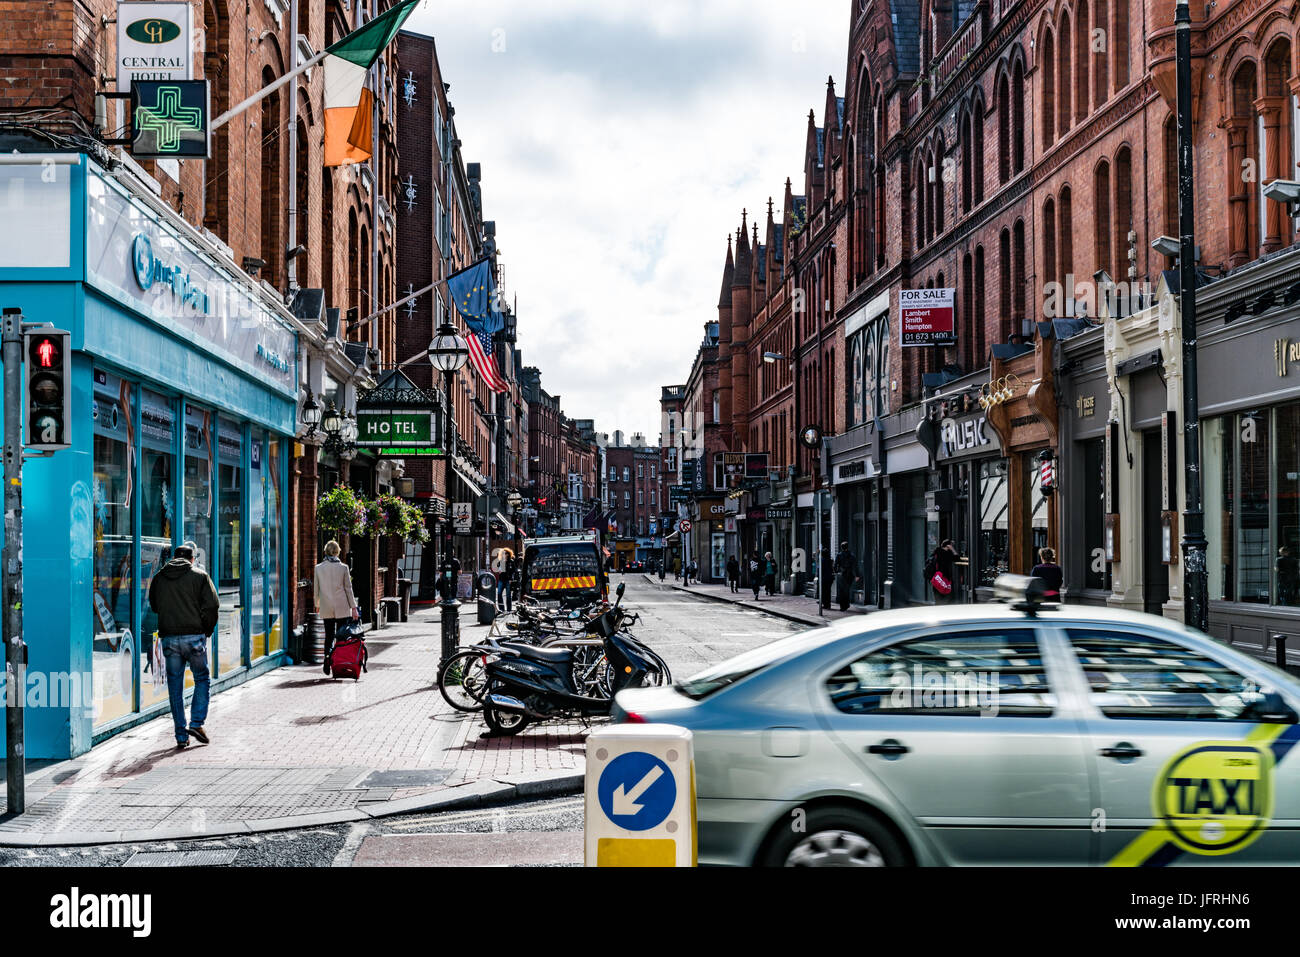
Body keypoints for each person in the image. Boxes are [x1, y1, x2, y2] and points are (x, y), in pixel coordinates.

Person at [148, 542, 219, 749]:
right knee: (202, 678)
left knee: (175, 687)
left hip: (170, 638)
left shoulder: (160, 578)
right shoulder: (200, 577)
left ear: (173, 558)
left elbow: (154, 605)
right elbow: (213, 605)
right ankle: (196, 723)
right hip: (194, 637)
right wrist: (207, 629)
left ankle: (181, 735)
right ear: (192, 559)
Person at [315, 540, 360, 676]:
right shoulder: (343, 568)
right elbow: (348, 589)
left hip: (326, 606)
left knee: (329, 636)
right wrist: (354, 607)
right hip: (342, 607)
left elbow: (316, 590)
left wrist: (317, 605)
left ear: (325, 551)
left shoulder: (318, 568)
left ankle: (327, 657)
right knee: (341, 637)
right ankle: (339, 662)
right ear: (338, 552)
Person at [927, 539, 959, 604]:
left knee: (938, 597)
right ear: (948, 546)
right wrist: (953, 549)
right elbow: (957, 558)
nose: (952, 546)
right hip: (944, 578)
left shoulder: (936, 552)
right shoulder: (946, 554)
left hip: (936, 578)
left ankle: (938, 610)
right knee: (946, 597)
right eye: (951, 545)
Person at [834, 542, 861, 611]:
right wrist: (857, 575)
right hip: (849, 575)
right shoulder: (852, 556)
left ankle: (842, 606)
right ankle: (846, 604)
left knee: (841, 590)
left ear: (841, 547)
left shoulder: (839, 555)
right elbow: (855, 566)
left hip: (841, 575)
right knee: (847, 590)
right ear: (847, 547)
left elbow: (835, 565)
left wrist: (836, 572)